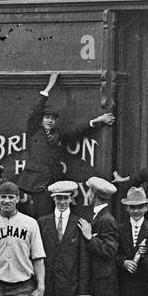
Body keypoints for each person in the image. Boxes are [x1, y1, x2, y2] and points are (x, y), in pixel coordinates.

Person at [18, 71, 114, 215]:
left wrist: (98, 120)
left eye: (52, 118)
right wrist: (50, 85)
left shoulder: (58, 135)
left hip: (52, 185)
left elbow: (76, 131)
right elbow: (36, 110)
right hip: (33, 185)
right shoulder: (33, 131)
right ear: (40, 120)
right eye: (47, 118)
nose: (50, 121)